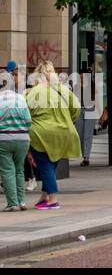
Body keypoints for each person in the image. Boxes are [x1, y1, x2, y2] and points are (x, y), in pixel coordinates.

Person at [25, 62, 81, 210]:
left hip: (40, 133)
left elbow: (25, 114)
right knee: (50, 165)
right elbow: (76, 109)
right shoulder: (64, 90)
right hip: (64, 132)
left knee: (44, 166)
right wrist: (67, 119)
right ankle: (44, 197)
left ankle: (53, 199)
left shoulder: (31, 92)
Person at [0, 71, 32, 211]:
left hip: (4, 139)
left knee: (7, 170)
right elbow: (28, 121)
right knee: (19, 169)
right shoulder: (20, 98)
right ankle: (22, 202)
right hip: (22, 139)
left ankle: (12, 204)